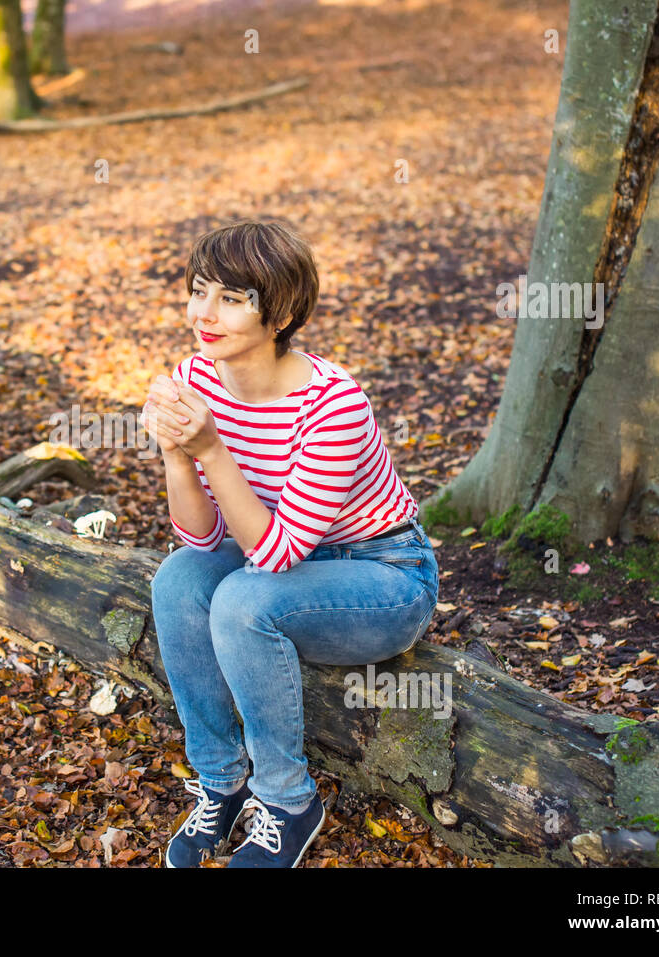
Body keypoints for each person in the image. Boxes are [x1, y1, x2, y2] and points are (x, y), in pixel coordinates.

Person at [141, 220, 438, 868]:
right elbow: (201, 535)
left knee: (245, 601)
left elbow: (274, 559)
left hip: (382, 575)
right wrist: (174, 454)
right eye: (198, 291)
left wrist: (211, 447)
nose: (203, 313)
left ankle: (287, 800)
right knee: (178, 578)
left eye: (231, 298)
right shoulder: (197, 374)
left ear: (280, 313)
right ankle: (221, 781)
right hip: (278, 555)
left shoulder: (334, 404)